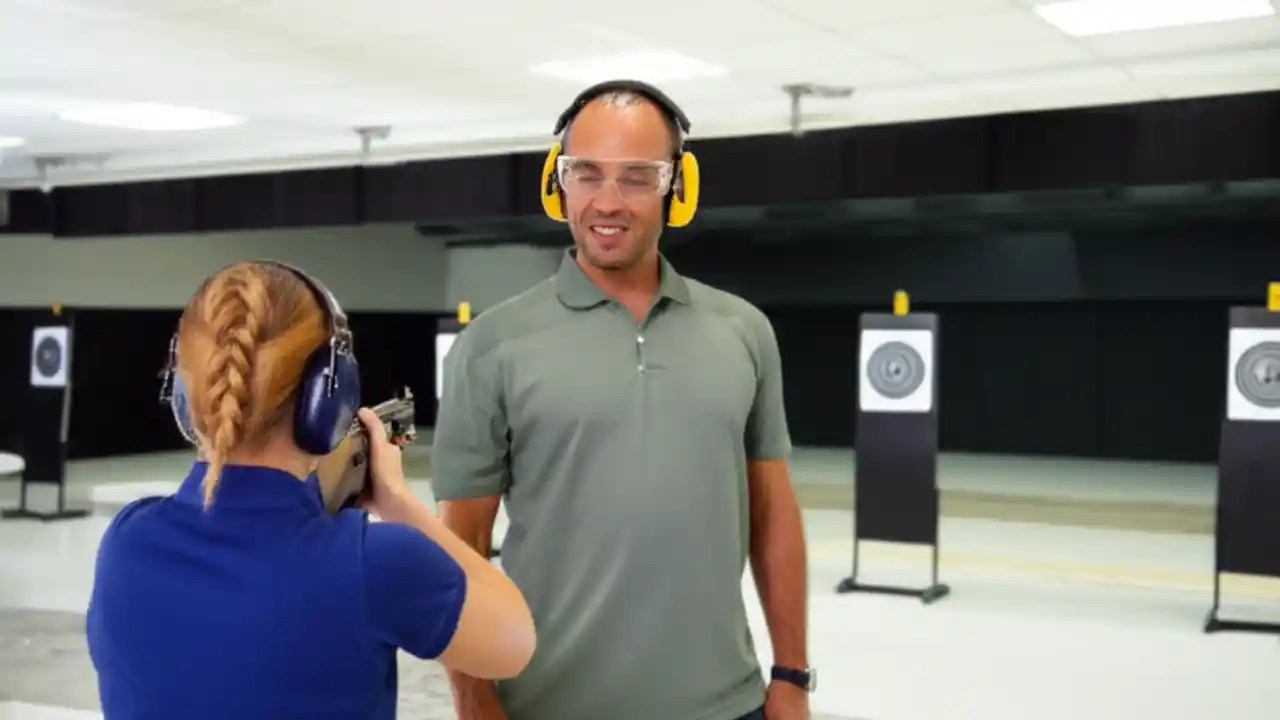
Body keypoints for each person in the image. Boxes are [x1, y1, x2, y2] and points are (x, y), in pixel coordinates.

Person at [433, 80, 812, 720]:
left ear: (678, 188)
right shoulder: (492, 344)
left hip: (727, 705)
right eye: (587, 173)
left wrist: (792, 674)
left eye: (638, 177)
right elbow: (460, 545)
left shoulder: (744, 331)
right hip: (548, 706)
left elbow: (772, 514)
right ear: (558, 184)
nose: (607, 202)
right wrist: (474, 698)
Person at [85, 260, 535, 719]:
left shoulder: (126, 542)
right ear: (331, 399)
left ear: (184, 394)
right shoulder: (374, 563)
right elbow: (515, 642)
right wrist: (400, 504)